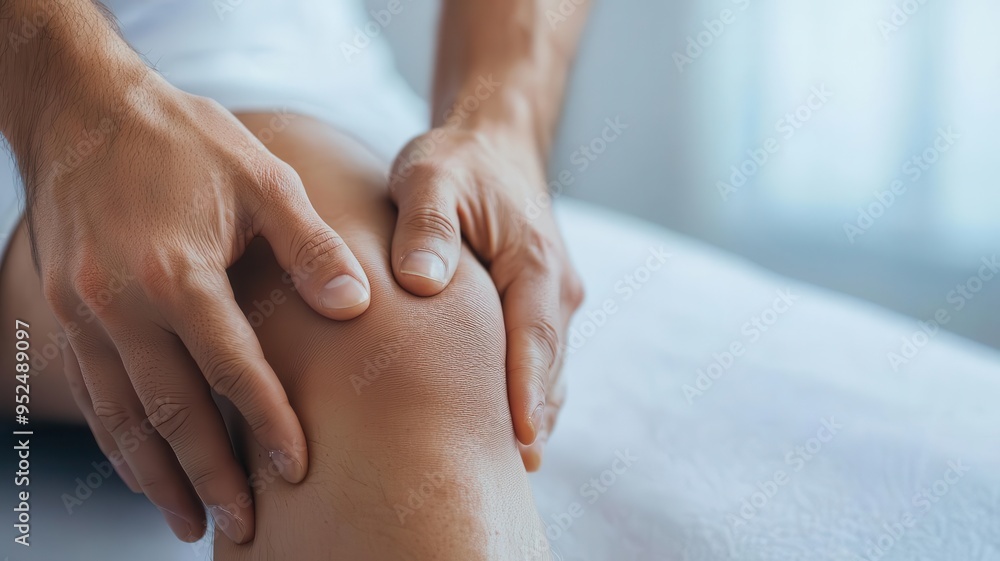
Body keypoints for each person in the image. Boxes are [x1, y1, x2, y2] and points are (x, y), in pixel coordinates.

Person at [0, 0, 588, 550]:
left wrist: (502, 123)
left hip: (267, 45)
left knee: (420, 341)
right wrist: (67, 103)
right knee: (382, 358)